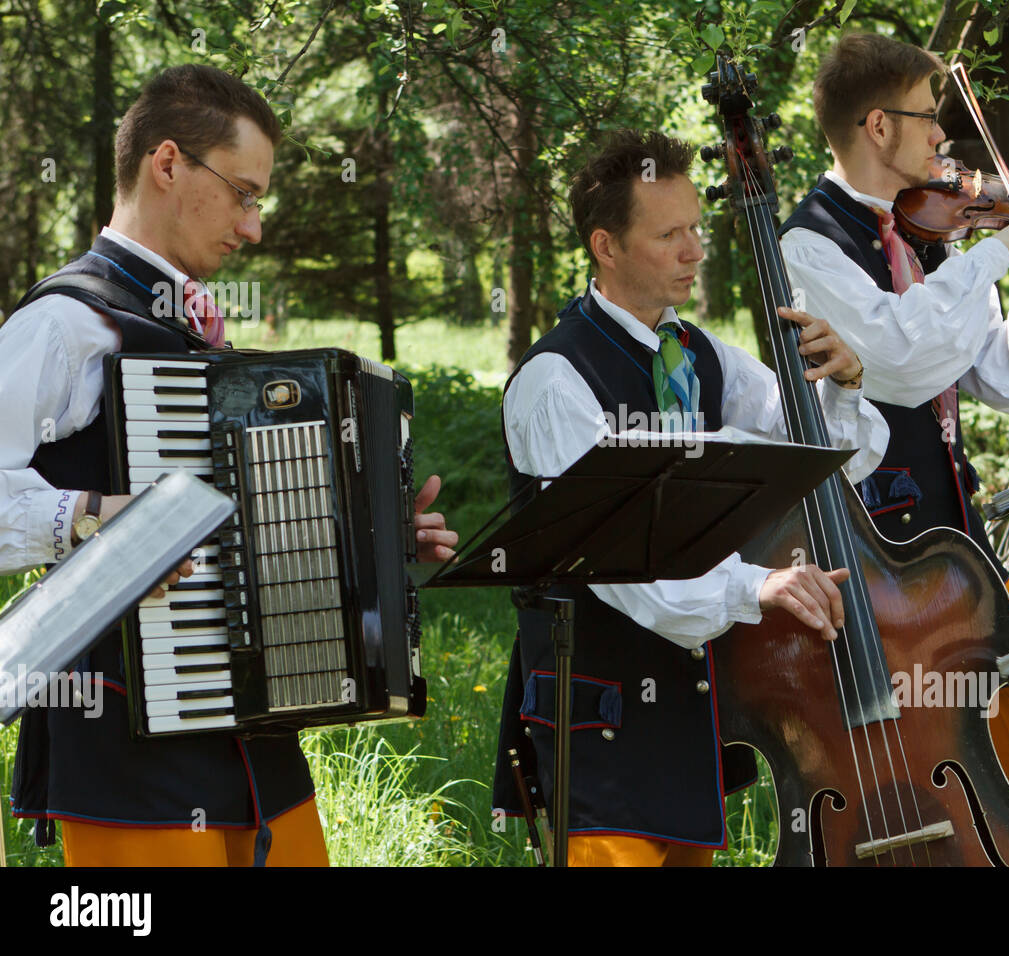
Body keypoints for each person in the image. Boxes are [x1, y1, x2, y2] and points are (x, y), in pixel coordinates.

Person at [0, 64, 458, 867]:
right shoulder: (67, 323)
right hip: (125, 755)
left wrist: (366, 545)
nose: (253, 228)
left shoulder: (192, 331)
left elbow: (239, 529)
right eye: (244, 194)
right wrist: (89, 519)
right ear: (168, 163)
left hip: (258, 747)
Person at [491, 129, 889, 867]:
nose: (694, 250)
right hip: (598, 719)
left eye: (697, 229)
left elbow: (835, 461)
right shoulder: (556, 379)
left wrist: (844, 384)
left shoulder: (704, 357)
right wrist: (759, 585)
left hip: (688, 710)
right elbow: (624, 560)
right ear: (605, 247)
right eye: (669, 234)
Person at [779, 32, 1009, 826]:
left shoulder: (934, 235)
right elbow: (894, 357)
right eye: (927, 118)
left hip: (957, 523)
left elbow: (1003, 370)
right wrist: (990, 257)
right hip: (874, 543)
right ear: (878, 127)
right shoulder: (808, 245)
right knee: (931, 745)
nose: (944, 139)